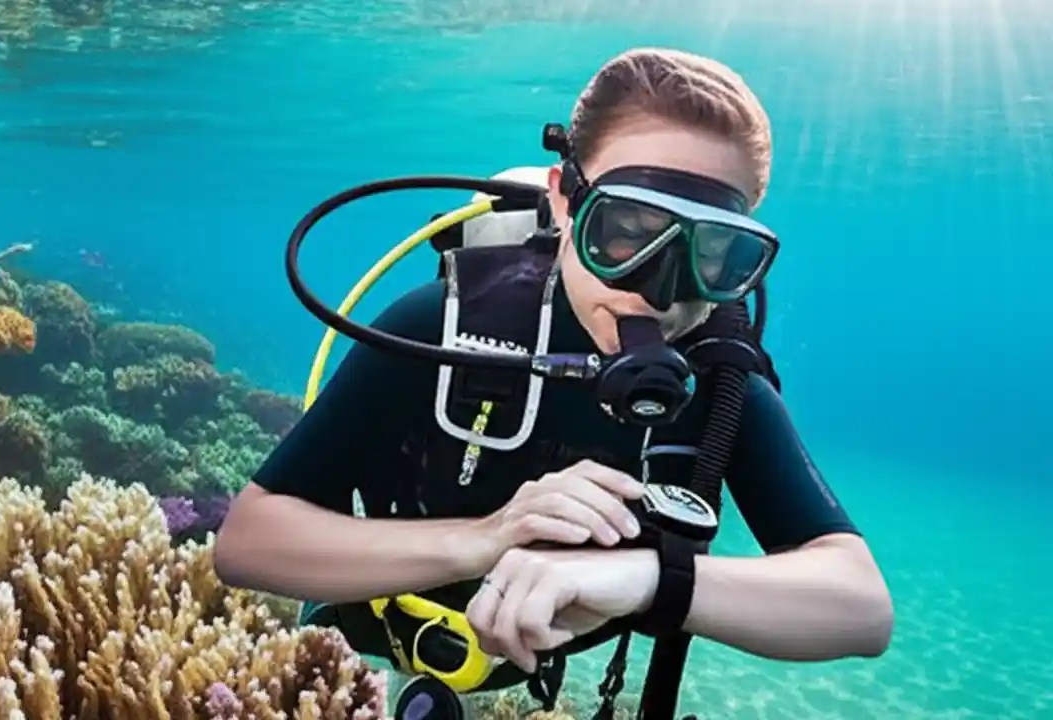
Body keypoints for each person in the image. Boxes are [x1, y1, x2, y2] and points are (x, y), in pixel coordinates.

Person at [214, 47, 893, 715]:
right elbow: (250, 543)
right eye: (626, 231)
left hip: (526, 668)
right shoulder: (448, 327)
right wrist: (487, 537)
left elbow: (861, 607)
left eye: (713, 253)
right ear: (566, 201)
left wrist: (651, 579)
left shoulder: (718, 383)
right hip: (369, 639)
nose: (660, 294)